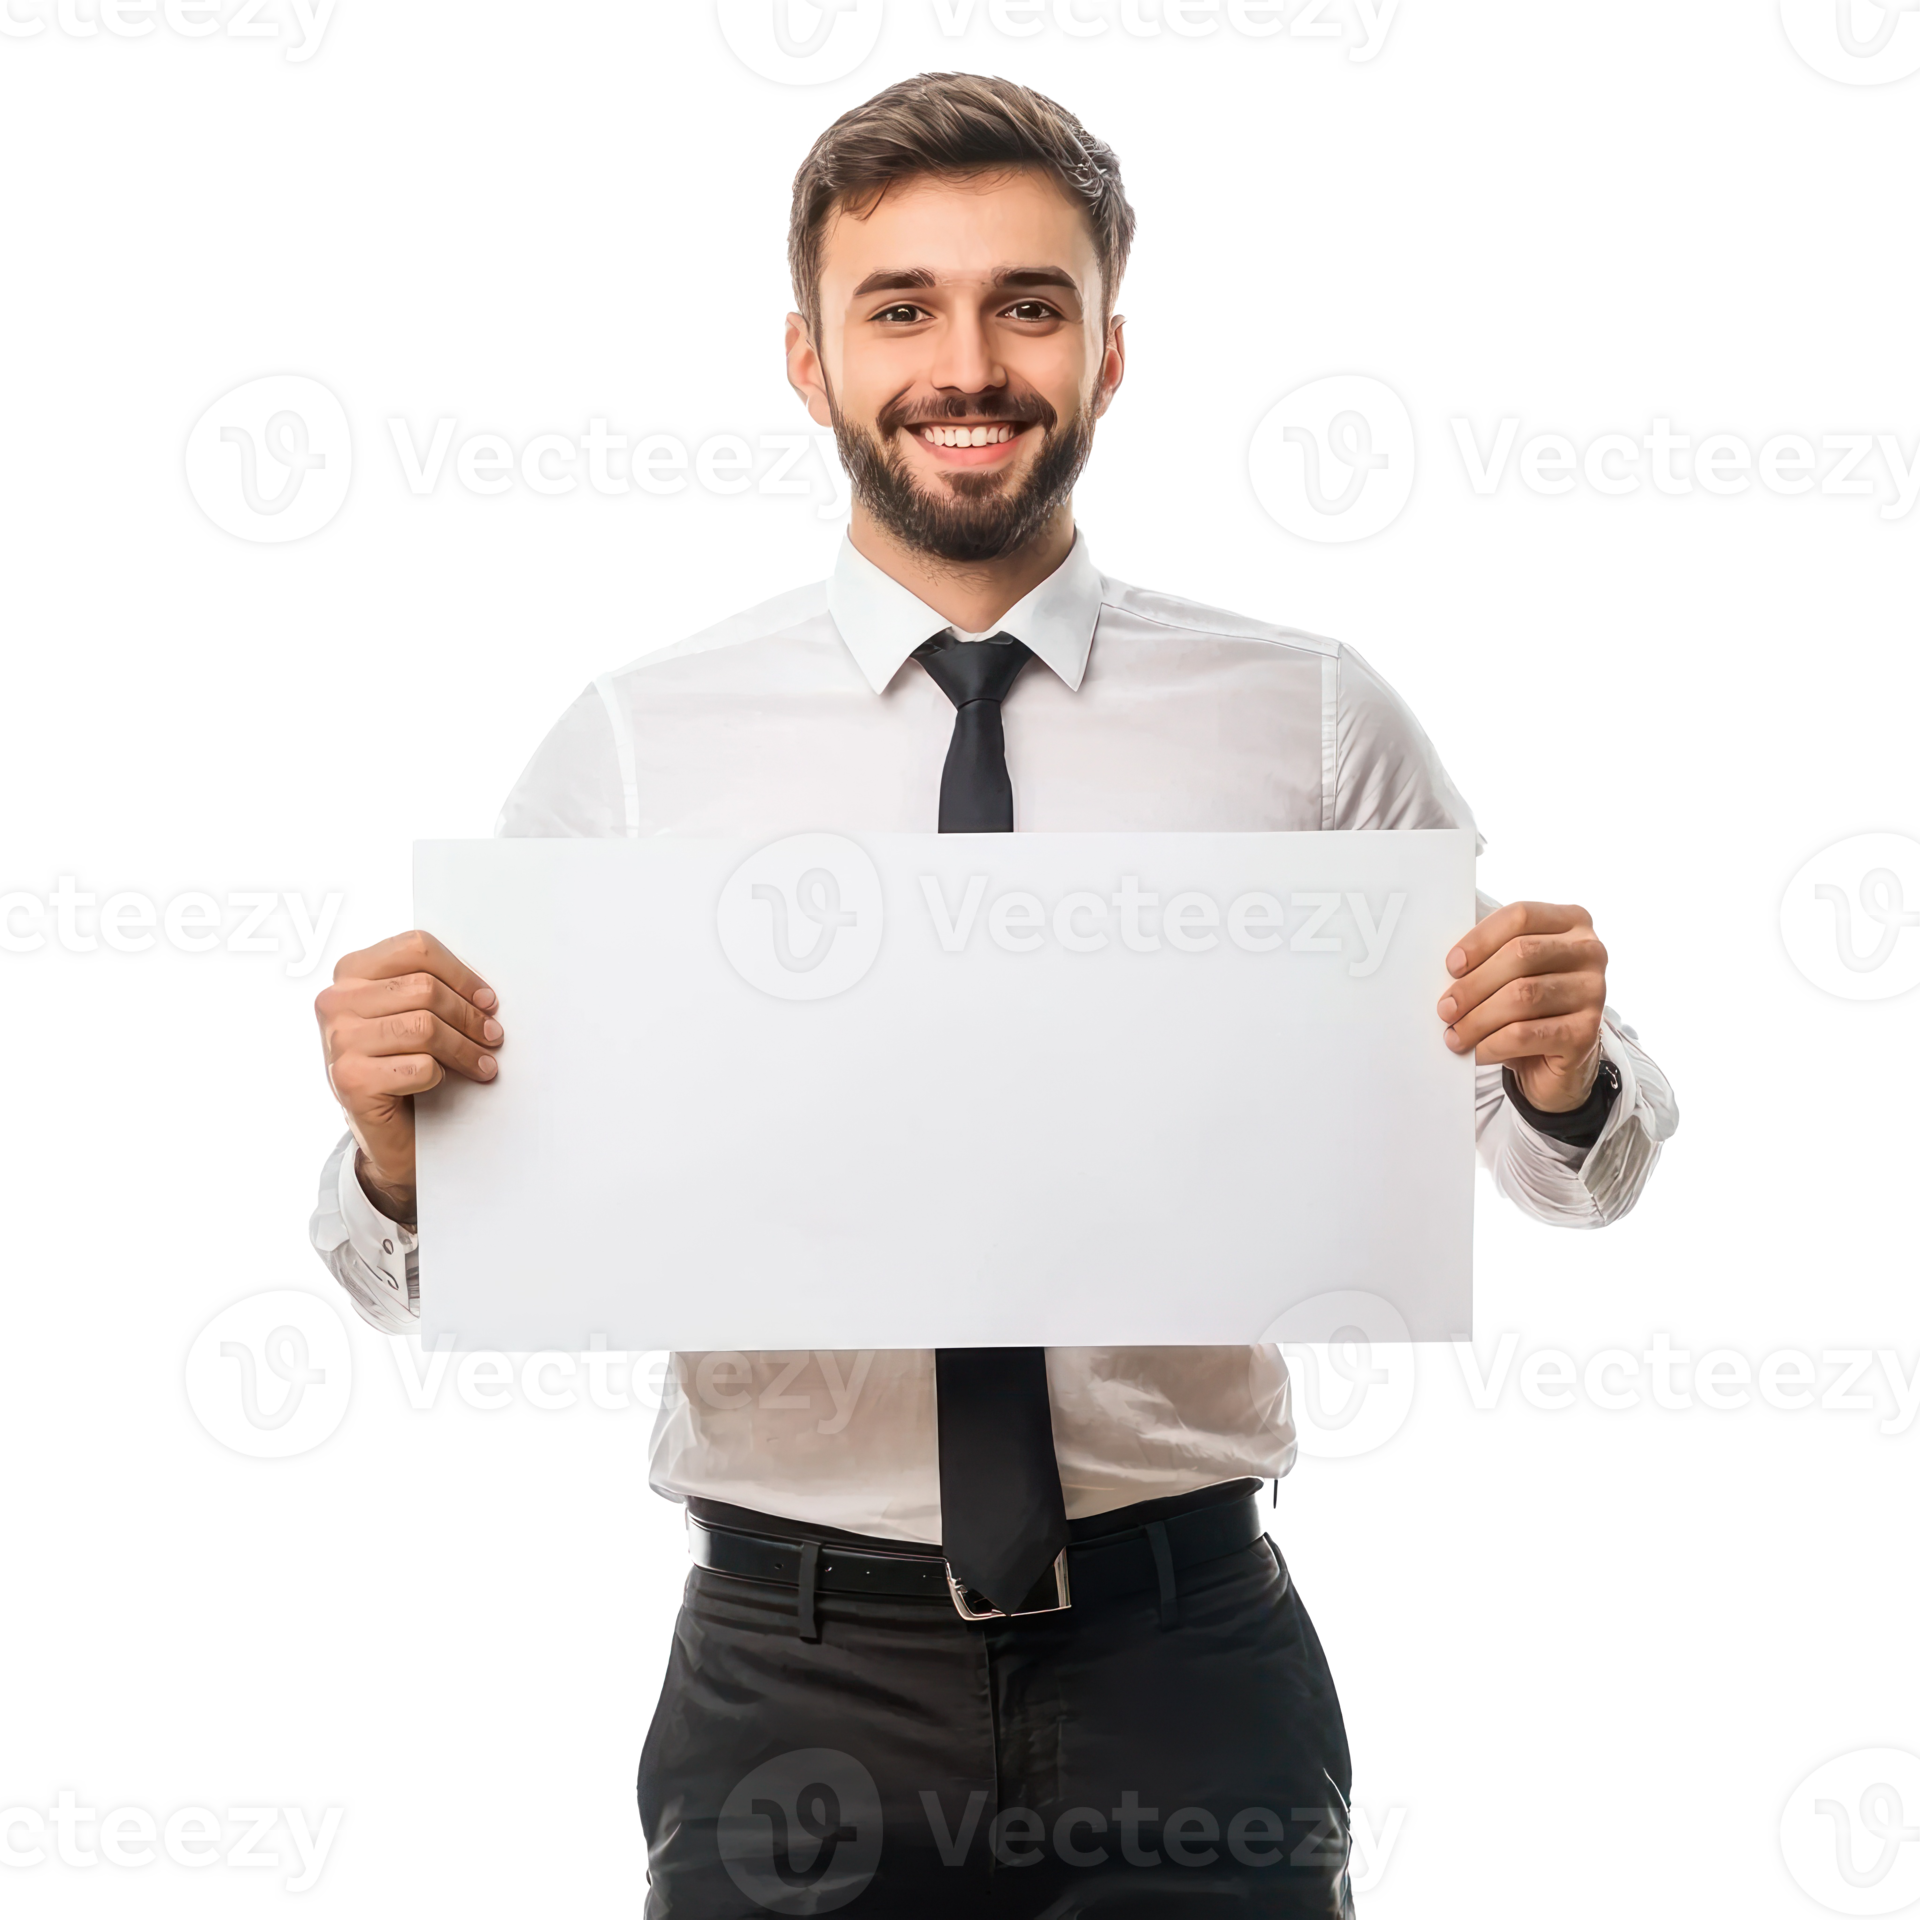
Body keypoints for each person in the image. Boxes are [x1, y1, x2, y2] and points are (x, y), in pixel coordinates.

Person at [307, 70, 1679, 1917]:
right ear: (807, 362)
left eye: (1031, 304)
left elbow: (1574, 1180)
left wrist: (1566, 1072)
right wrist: (397, 1156)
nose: (972, 363)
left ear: (1112, 354)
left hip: (1191, 1653)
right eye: (904, 309)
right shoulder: (640, 740)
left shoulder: (1316, 711)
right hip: (784, 1658)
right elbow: (420, 1293)